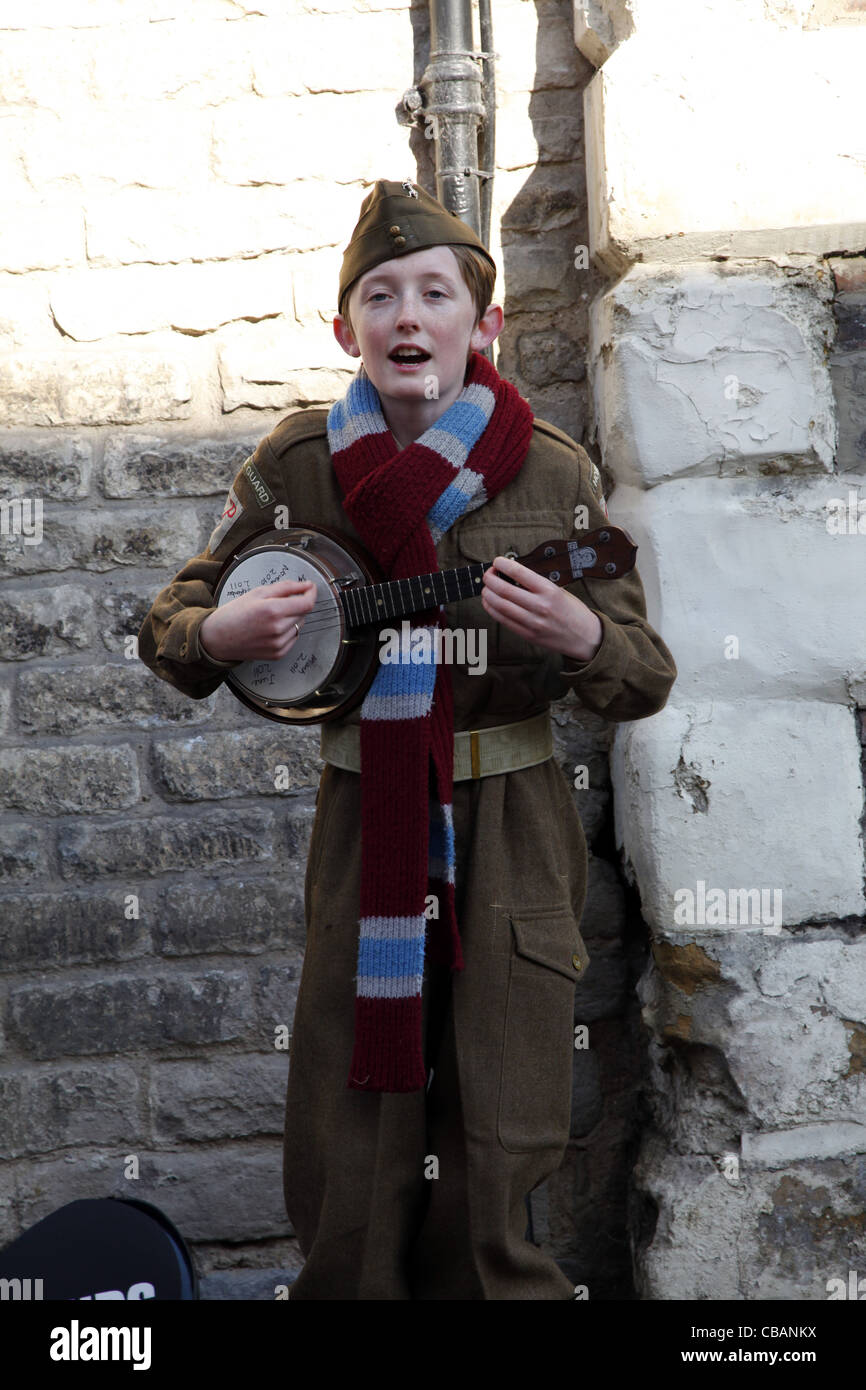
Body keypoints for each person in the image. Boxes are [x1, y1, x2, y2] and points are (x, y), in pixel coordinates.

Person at [137, 177, 677, 1300]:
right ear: (348, 330)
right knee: (351, 1120)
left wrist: (581, 632)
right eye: (379, 297)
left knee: (499, 1111)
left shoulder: (553, 471)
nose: (406, 317)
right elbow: (170, 623)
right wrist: (221, 627)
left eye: (435, 293)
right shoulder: (295, 469)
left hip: (514, 824)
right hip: (365, 817)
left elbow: (640, 678)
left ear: (482, 327)